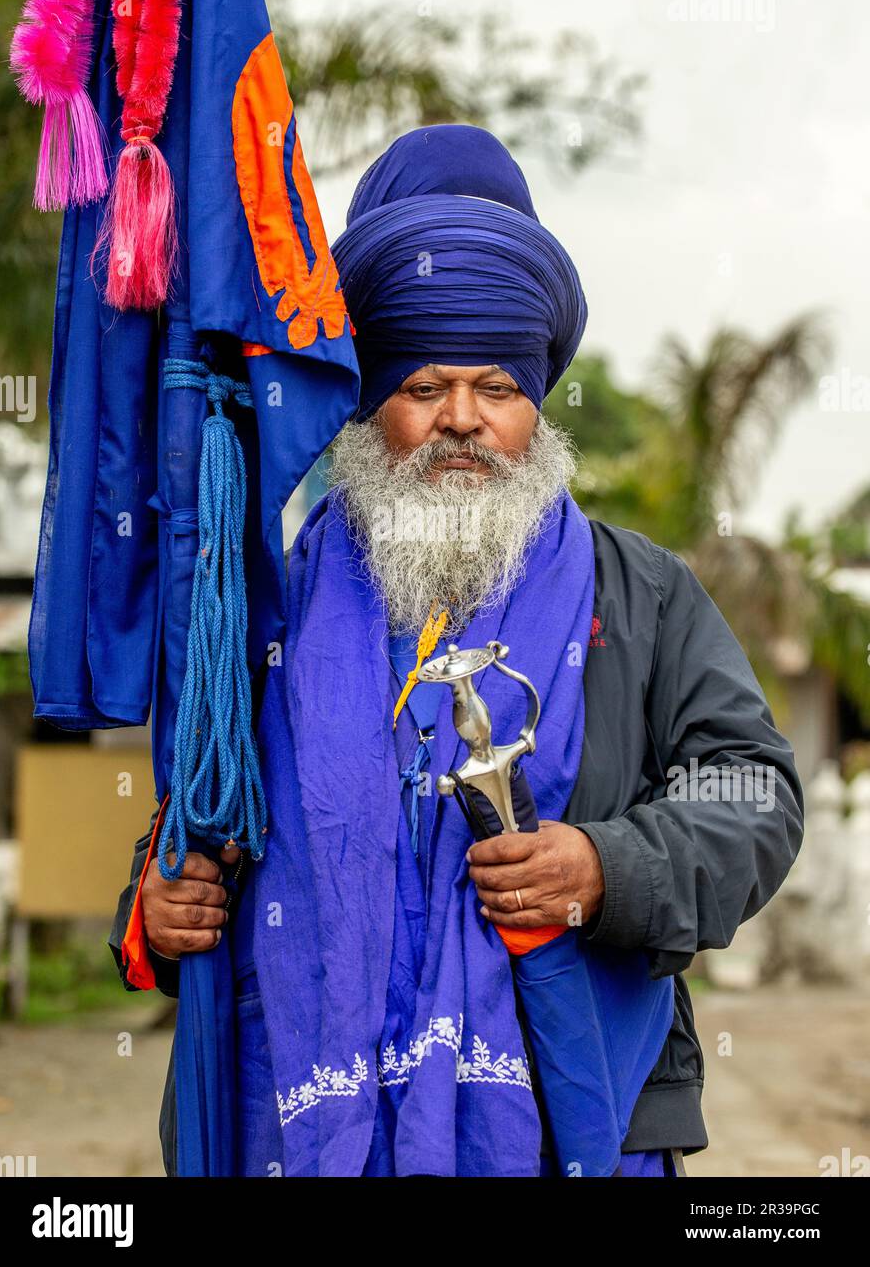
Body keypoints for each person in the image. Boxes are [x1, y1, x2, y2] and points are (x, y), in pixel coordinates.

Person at [110, 125, 803, 1177]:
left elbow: (754, 796)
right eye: (425, 387)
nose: (464, 422)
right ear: (365, 405)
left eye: (499, 388)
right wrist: (154, 907)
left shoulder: (645, 596)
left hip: (582, 1129)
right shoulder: (261, 601)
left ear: (538, 403)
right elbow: (196, 816)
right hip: (297, 1131)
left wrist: (603, 867)